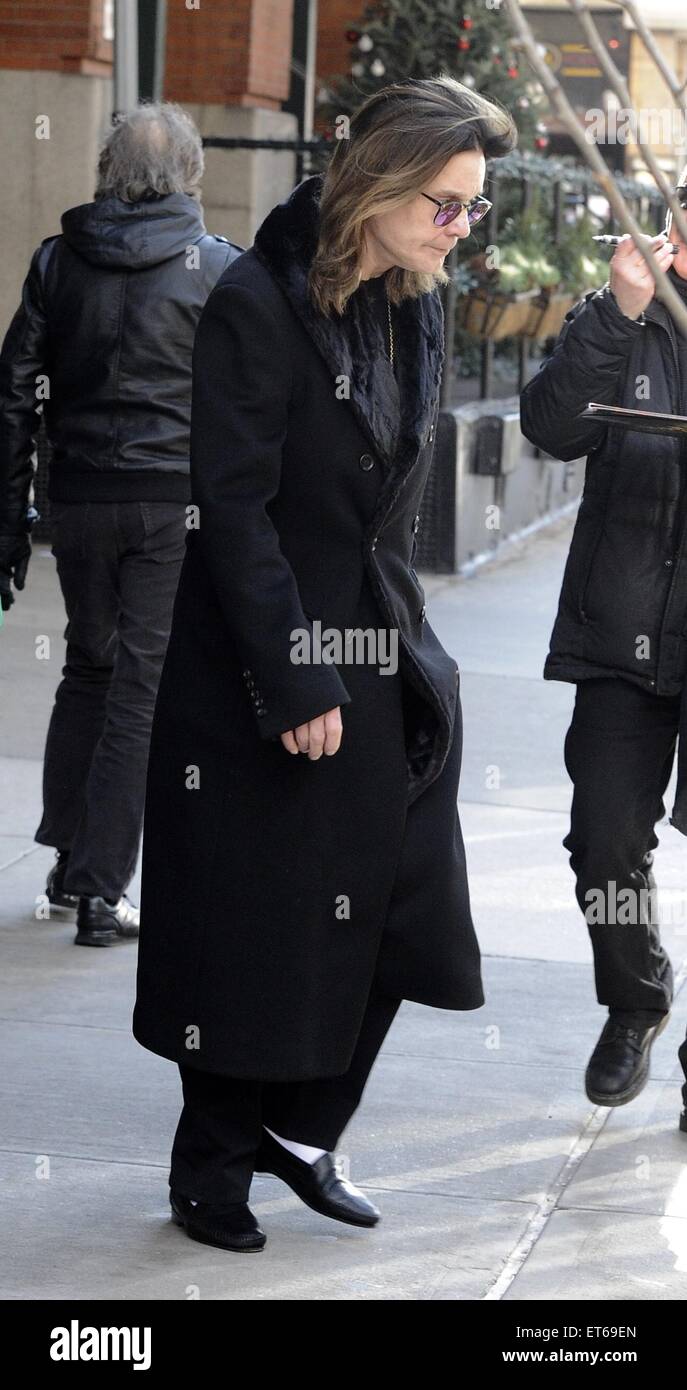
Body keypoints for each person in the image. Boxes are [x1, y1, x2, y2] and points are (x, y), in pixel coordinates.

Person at [131, 75, 518, 1253]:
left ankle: (302, 1129)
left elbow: (386, 501)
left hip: (385, 647)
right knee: (257, 924)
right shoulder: (257, 300)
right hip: (268, 657)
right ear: (386, 184)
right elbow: (233, 510)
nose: (463, 228)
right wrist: (294, 678)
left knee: (406, 907)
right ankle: (211, 1166)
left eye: (474, 209)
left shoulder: (416, 299)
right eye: (447, 204)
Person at [0, 103, 241, 945]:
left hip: (79, 501)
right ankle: (103, 890)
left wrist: (10, 521)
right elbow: (245, 409)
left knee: (88, 668)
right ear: (192, 174)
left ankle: (71, 865)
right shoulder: (217, 269)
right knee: (139, 689)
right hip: (167, 502)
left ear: (106, 170)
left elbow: (12, 400)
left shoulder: (56, 262)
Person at [520, 168, 687, 1127]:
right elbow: (548, 428)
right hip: (621, 629)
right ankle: (635, 1001)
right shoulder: (624, 311)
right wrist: (616, 314)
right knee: (602, 839)